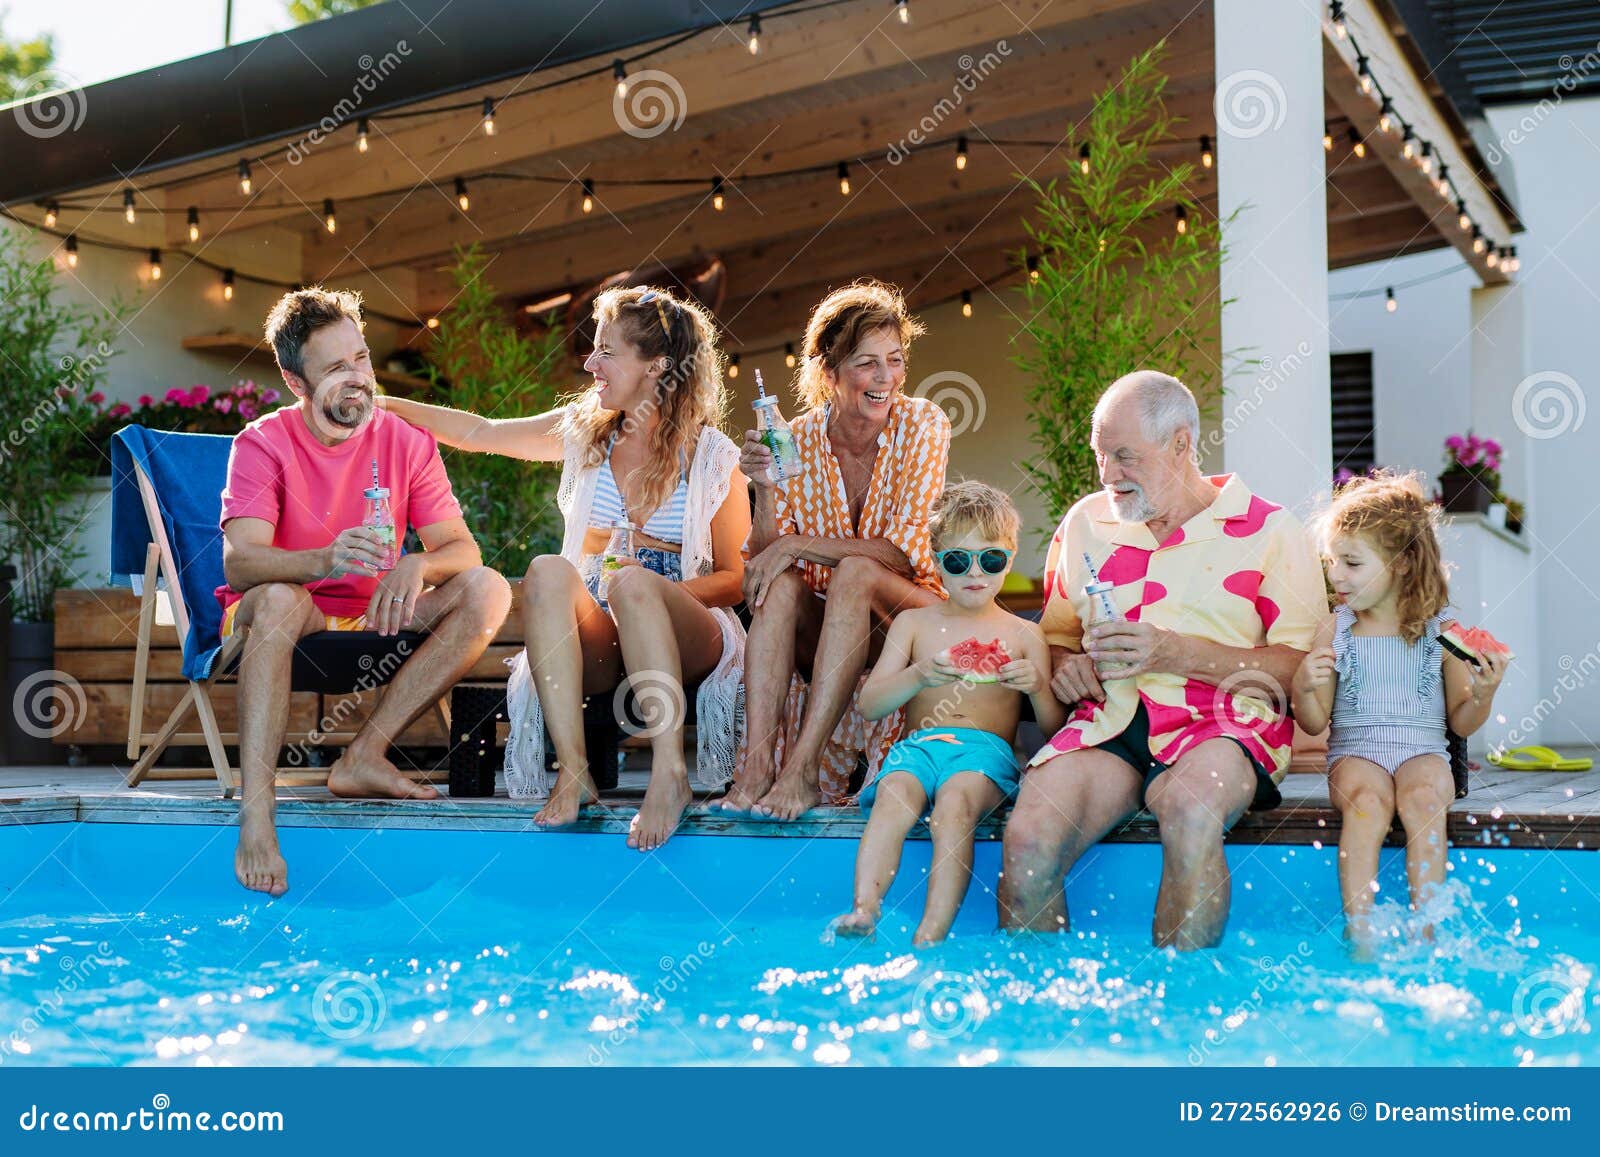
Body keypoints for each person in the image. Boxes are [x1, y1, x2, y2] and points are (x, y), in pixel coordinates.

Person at [380, 286, 749, 850]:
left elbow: (735, 577)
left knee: (631, 583)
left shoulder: (714, 457)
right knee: (550, 569)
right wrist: (386, 406)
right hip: (603, 633)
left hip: (688, 631)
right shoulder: (585, 432)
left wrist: (646, 590)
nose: (589, 363)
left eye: (606, 351)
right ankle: (574, 771)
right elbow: (482, 433)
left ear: (657, 366)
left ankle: (670, 772)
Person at [999, 370, 1326, 950]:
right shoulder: (1085, 523)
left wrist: (1174, 652)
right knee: (1028, 839)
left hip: (1227, 723)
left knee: (1193, 814)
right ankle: (1044, 1028)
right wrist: (1063, 664)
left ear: (1181, 445)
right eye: (1101, 456)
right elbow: (1055, 637)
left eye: (1125, 457)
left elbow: (1301, 671)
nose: (1109, 476)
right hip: (1111, 720)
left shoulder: (1270, 529)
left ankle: (1181, 1016)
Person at [220, 288, 513, 896]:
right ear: (295, 381)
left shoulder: (406, 441)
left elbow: (465, 552)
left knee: (485, 590)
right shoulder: (262, 443)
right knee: (277, 597)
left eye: (360, 359)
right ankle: (256, 811)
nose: (357, 379)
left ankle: (362, 756)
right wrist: (323, 560)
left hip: (378, 614)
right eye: (334, 368)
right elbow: (242, 563)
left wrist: (421, 566)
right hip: (288, 618)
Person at [720, 281, 951, 820]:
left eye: (894, 361)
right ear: (829, 372)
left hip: (907, 618)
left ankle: (800, 771)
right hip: (831, 631)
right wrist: (766, 487)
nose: (886, 378)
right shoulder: (795, 436)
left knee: (855, 573)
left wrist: (800, 544)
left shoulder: (923, 424)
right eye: (867, 364)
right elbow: (764, 565)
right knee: (782, 586)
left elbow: (902, 551)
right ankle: (756, 768)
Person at [833, 482, 1064, 945]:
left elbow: (1053, 728)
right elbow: (870, 702)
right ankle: (864, 910)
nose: (974, 572)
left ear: (1010, 559)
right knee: (894, 794)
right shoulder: (914, 624)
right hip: (919, 748)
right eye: (958, 560)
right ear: (937, 563)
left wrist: (1037, 688)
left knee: (955, 805)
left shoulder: (1024, 635)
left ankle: (931, 933)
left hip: (985, 755)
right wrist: (918, 676)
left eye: (990, 559)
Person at [1291, 470, 1506, 943]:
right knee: (1367, 804)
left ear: (1404, 563)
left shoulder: (1440, 629)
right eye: (1332, 561)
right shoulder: (1337, 628)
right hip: (1356, 752)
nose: (1335, 575)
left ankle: (1425, 931)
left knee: (1425, 800)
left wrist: (1483, 694)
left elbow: (1460, 718)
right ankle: (1361, 933)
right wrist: (1304, 686)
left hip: (1424, 750)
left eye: (1351, 563)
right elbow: (1314, 721)